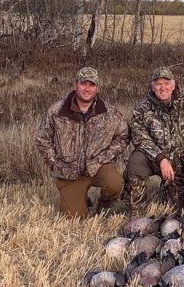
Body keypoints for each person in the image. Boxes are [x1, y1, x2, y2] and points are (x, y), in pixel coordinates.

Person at [35, 66, 129, 218]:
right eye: (83, 84)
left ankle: (104, 204)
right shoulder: (57, 111)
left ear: (97, 88)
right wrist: (55, 163)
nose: (87, 89)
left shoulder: (108, 112)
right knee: (75, 217)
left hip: (97, 166)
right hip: (69, 172)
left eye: (91, 85)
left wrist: (104, 157)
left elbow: (123, 135)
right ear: (75, 85)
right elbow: (42, 139)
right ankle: (81, 197)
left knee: (115, 183)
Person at [124, 66, 184, 212]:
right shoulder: (142, 109)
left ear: (173, 85)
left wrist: (176, 159)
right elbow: (139, 138)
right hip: (153, 159)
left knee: (179, 210)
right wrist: (161, 159)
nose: (163, 87)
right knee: (135, 162)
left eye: (166, 83)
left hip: (178, 161)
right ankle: (137, 211)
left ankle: (167, 191)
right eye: (158, 83)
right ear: (152, 86)